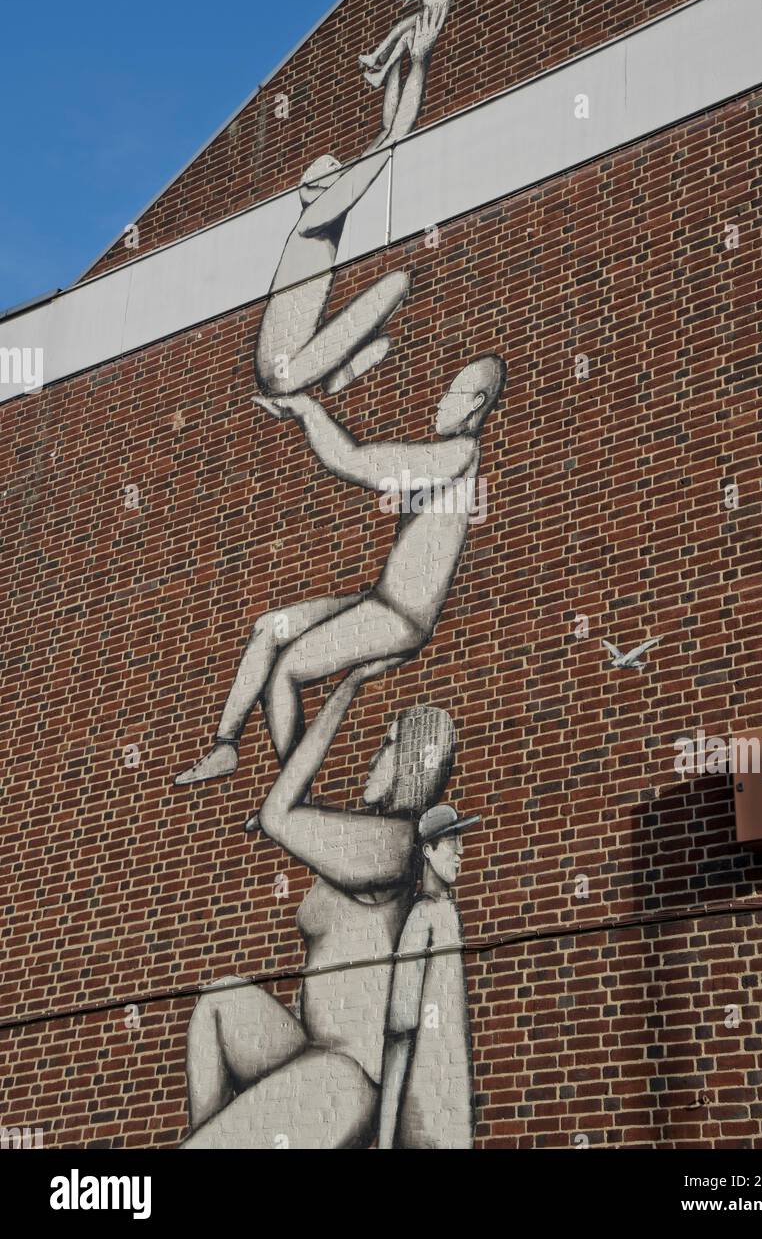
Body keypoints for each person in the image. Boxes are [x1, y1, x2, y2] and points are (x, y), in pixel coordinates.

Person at [174, 355, 505, 788]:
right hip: (380, 601)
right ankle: (225, 746)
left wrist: (309, 410)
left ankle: (293, 796)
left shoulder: (460, 454)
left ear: (476, 402)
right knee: (269, 629)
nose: (439, 403)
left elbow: (358, 461)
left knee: (287, 671)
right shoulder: (446, 458)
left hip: (401, 616)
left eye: (452, 394)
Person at [180, 667, 457, 1150]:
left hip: (346, 1074)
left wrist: (345, 689)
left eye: (388, 745)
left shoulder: (394, 843)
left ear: (414, 760)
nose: (373, 758)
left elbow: (278, 813)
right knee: (220, 1002)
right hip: (312, 1047)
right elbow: (290, 803)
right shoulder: (362, 839)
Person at [254, 0, 448, 401]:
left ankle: (334, 373)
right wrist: (422, 58)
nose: (338, 170)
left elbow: (386, 130)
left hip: (294, 360)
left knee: (394, 290)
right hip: (282, 371)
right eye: (330, 171)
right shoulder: (313, 220)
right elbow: (393, 135)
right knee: (396, 286)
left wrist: (396, 63)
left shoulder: (320, 215)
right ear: (313, 189)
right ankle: (334, 374)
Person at [378, 803, 478, 1149]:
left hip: (451, 1115)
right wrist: (387, 1137)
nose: (461, 851)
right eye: (451, 840)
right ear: (428, 850)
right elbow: (399, 1034)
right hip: (425, 1121)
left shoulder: (447, 913)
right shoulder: (422, 918)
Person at [359, 0, 465, 90]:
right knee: (404, 36)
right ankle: (380, 71)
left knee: (401, 27)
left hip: (434, 16)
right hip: (427, 14)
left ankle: (376, 59)